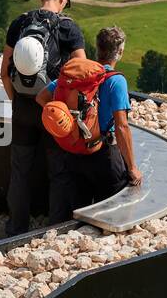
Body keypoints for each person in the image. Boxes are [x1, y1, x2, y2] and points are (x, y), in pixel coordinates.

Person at [1, 0, 86, 234]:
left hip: (23, 108)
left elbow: (5, 71)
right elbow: (82, 73)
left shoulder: (20, 23)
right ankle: (55, 229)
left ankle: (16, 228)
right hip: (53, 109)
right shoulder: (68, 28)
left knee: (20, 171)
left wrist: (16, 101)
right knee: (58, 172)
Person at [37, 26, 142, 210]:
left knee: (79, 209)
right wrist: (132, 167)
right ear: (120, 52)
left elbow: (41, 97)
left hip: (72, 150)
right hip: (103, 154)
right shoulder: (116, 80)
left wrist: (65, 119)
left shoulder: (78, 73)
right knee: (111, 208)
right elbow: (122, 126)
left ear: (97, 48)